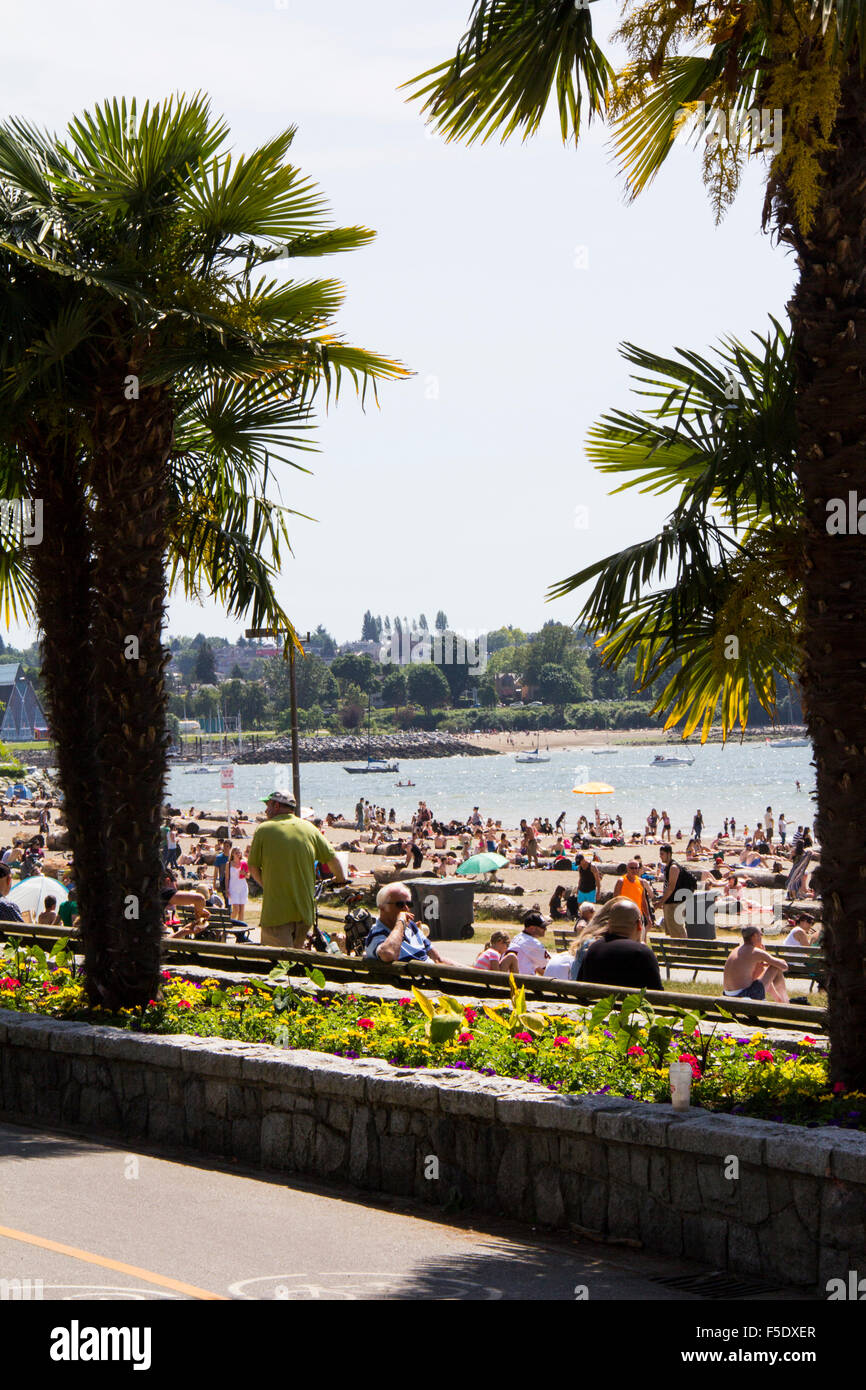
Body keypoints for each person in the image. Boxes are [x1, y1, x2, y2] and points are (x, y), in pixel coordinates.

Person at [246, 789, 345, 948]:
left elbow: (253, 867)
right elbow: (333, 859)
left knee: (278, 966)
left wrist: (266, 885)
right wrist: (340, 880)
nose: (265, 810)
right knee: (297, 961)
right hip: (304, 912)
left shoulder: (264, 829)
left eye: (268, 805)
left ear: (276, 805)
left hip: (276, 912)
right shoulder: (310, 828)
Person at [573, 898, 663, 989]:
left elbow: (580, 989)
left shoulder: (593, 949)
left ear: (609, 924)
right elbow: (657, 995)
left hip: (597, 1003)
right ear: (639, 925)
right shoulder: (642, 953)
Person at [364, 884, 454, 964]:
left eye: (409, 904)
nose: (406, 908)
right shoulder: (377, 935)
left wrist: (467, 972)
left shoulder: (411, 927)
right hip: (417, 981)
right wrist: (401, 922)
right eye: (400, 904)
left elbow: (437, 960)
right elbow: (388, 954)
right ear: (382, 907)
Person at [723, 926, 789, 1002]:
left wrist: (762, 963)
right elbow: (784, 966)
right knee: (775, 967)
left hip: (727, 995)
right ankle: (786, 1002)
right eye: (761, 934)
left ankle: (779, 999)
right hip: (744, 996)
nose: (762, 937)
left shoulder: (736, 950)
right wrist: (765, 955)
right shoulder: (755, 952)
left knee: (773, 966)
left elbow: (756, 977)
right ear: (755, 936)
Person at [657, 843, 697, 938]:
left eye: (662, 854)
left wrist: (660, 902)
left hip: (676, 903)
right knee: (672, 931)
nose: (660, 856)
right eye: (660, 854)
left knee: (678, 930)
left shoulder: (674, 867)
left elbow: (671, 888)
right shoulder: (668, 867)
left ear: (669, 854)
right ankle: (677, 951)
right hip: (671, 902)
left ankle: (683, 951)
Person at [613, 860, 655, 936]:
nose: (634, 870)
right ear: (627, 868)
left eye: (636, 868)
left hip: (638, 917)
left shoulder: (641, 882)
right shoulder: (621, 881)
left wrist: (648, 917)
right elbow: (615, 901)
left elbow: (643, 901)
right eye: (632, 868)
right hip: (624, 917)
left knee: (639, 939)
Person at [509, 910, 550, 975]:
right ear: (532, 928)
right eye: (543, 927)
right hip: (523, 981)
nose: (545, 929)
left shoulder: (517, 937)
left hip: (511, 979)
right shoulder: (533, 943)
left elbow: (540, 967)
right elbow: (549, 966)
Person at [226, 846, 249, 922]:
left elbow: (248, 876)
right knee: (236, 909)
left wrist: (244, 873)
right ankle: (228, 922)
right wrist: (227, 889)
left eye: (239, 852)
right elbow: (227, 878)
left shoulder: (244, 862)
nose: (238, 854)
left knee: (241, 910)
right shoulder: (229, 864)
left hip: (242, 887)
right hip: (233, 888)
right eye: (236, 853)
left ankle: (240, 929)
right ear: (232, 854)